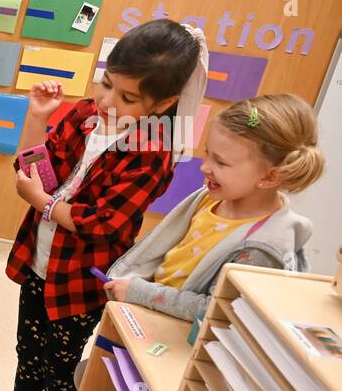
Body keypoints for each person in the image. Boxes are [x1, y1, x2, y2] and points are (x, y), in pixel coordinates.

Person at [0, 19, 206, 391]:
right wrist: (37, 118)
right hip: (40, 260)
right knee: (28, 347)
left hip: (80, 279)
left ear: (165, 103)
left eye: (128, 97)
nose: (109, 101)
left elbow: (101, 223)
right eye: (107, 85)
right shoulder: (83, 115)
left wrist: (41, 202)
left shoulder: (151, 153)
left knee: (61, 366)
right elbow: (37, 166)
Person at [105, 94, 323, 320]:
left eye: (220, 162)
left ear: (269, 177)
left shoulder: (261, 249)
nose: (205, 167)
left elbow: (218, 310)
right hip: (147, 315)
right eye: (207, 154)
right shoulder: (211, 198)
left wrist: (141, 292)